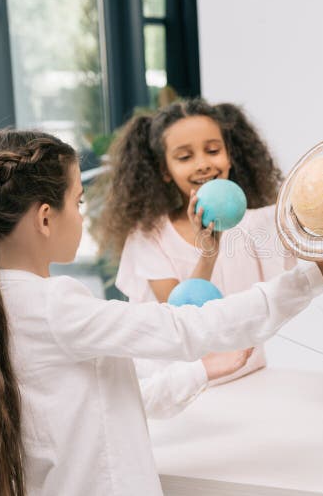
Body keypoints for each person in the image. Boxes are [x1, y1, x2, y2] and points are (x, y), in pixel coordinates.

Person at [0, 130, 323, 495]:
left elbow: (103, 397)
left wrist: (201, 373)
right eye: (78, 202)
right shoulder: (53, 306)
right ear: (45, 219)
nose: (82, 216)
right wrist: (319, 274)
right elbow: (187, 327)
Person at [95, 99, 292, 418]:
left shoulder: (258, 224)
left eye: (213, 150)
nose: (203, 164)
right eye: (185, 157)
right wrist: (208, 253)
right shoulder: (149, 238)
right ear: (165, 171)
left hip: (252, 382)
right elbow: (183, 319)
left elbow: (319, 211)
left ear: (230, 156)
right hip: (186, 397)